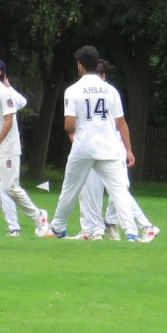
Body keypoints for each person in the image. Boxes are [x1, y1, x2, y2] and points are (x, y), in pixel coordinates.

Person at [46, 45, 141, 241]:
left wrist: (74, 132)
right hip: (108, 148)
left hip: (84, 147)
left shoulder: (73, 90)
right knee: (118, 190)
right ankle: (131, 232)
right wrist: (128, 149)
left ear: (80, 65)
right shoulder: (111, 90)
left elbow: (69, 125)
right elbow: (121, 122)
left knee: (70, 189)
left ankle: (58, 226)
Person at [77, 60, 162, 242]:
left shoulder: (105, 93)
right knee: (100, 191)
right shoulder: (108, 93)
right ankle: (96, 229)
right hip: (103, 150)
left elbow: (120, 123)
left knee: (119, 192)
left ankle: (145, 226)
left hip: (108, 151)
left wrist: (128, 150)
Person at [0, 57, 52, 237]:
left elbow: (8, 121)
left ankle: (39, 216)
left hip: (7, 148)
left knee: (10, 188)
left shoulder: (5, 92)